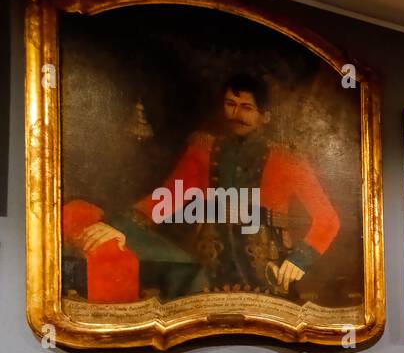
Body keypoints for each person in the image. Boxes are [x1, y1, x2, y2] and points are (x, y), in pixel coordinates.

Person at [64, 72, 342, 300]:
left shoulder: (289, 158)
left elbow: (327, 220)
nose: (236, 114)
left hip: (269, 267)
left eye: (246, 108)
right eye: (231, 104)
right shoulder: (203, 150)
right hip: (208, 267)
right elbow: (168, 198)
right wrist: (120, 226)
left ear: (265, 116)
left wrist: (299, 261)